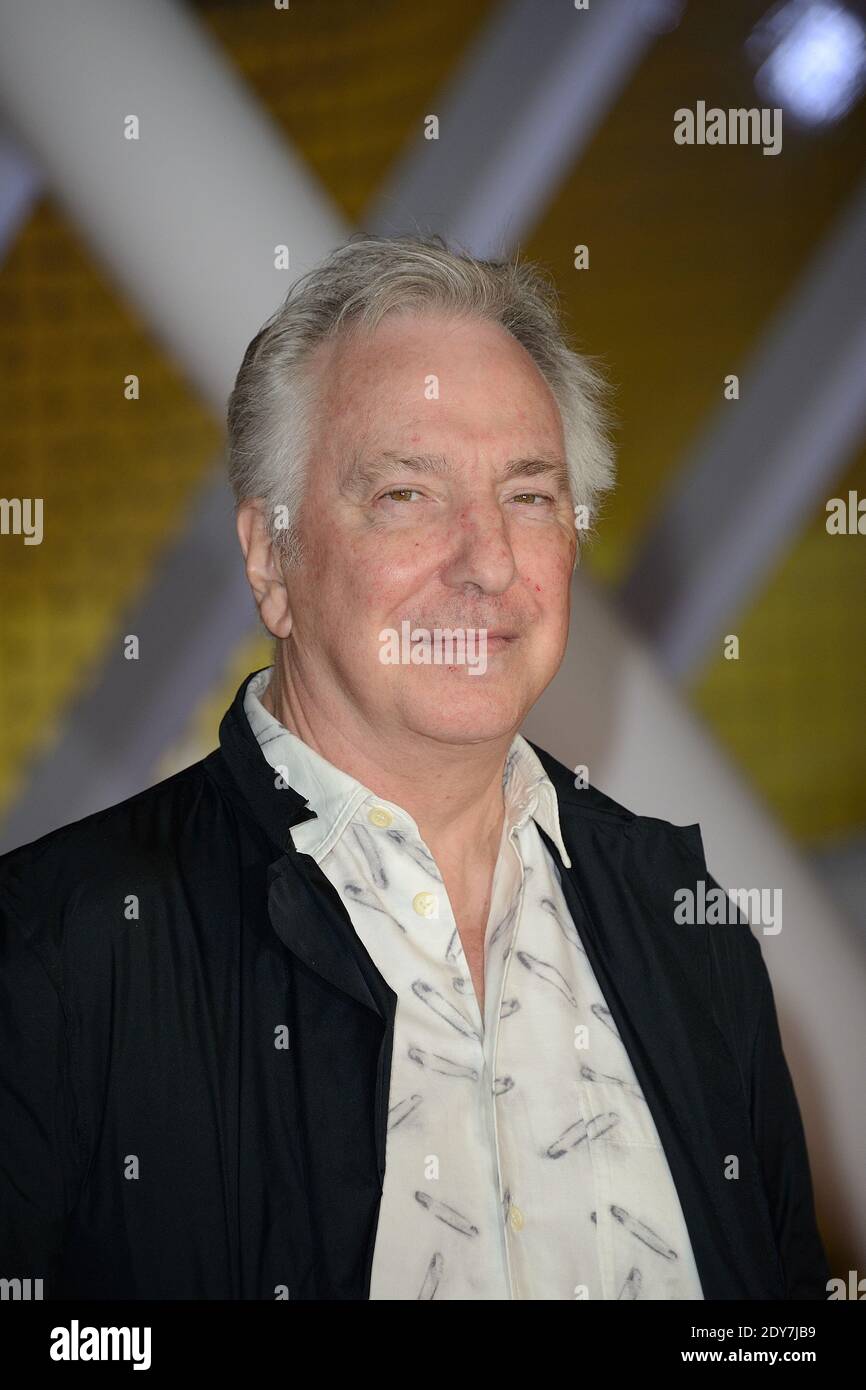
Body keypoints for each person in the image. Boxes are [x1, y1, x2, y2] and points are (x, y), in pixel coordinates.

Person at [0, 233, 829, 1299]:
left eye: (527, 495)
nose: (486, 560)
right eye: (407, 494)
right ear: (270, 557)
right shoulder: (51, 956)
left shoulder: (683, 923)